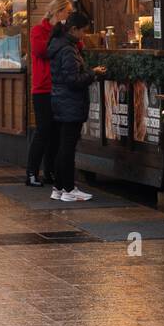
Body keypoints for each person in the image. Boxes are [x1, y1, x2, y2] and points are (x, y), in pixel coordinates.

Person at [48, 12, 106, 202]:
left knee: (62, 145)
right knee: (67, 147)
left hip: (60, 101)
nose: (83, 36)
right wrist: (92, 73)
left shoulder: (59, 45)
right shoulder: (67, 49)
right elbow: (73, 80)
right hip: (70, 103)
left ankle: (58, 188)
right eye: (82, 31)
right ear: (74, 29)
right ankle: (69, 188)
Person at [26, 0, 72, 187]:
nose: (69, 16)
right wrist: (60, 38)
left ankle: (50, 172)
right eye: (68, 12)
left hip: (59, 87)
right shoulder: (38, 31)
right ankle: (31, 173)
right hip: (43, 87)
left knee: (55, 133)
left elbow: (77, 46)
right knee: (43, 130)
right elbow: (41, 51)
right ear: (58, 12)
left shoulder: (65, 33)